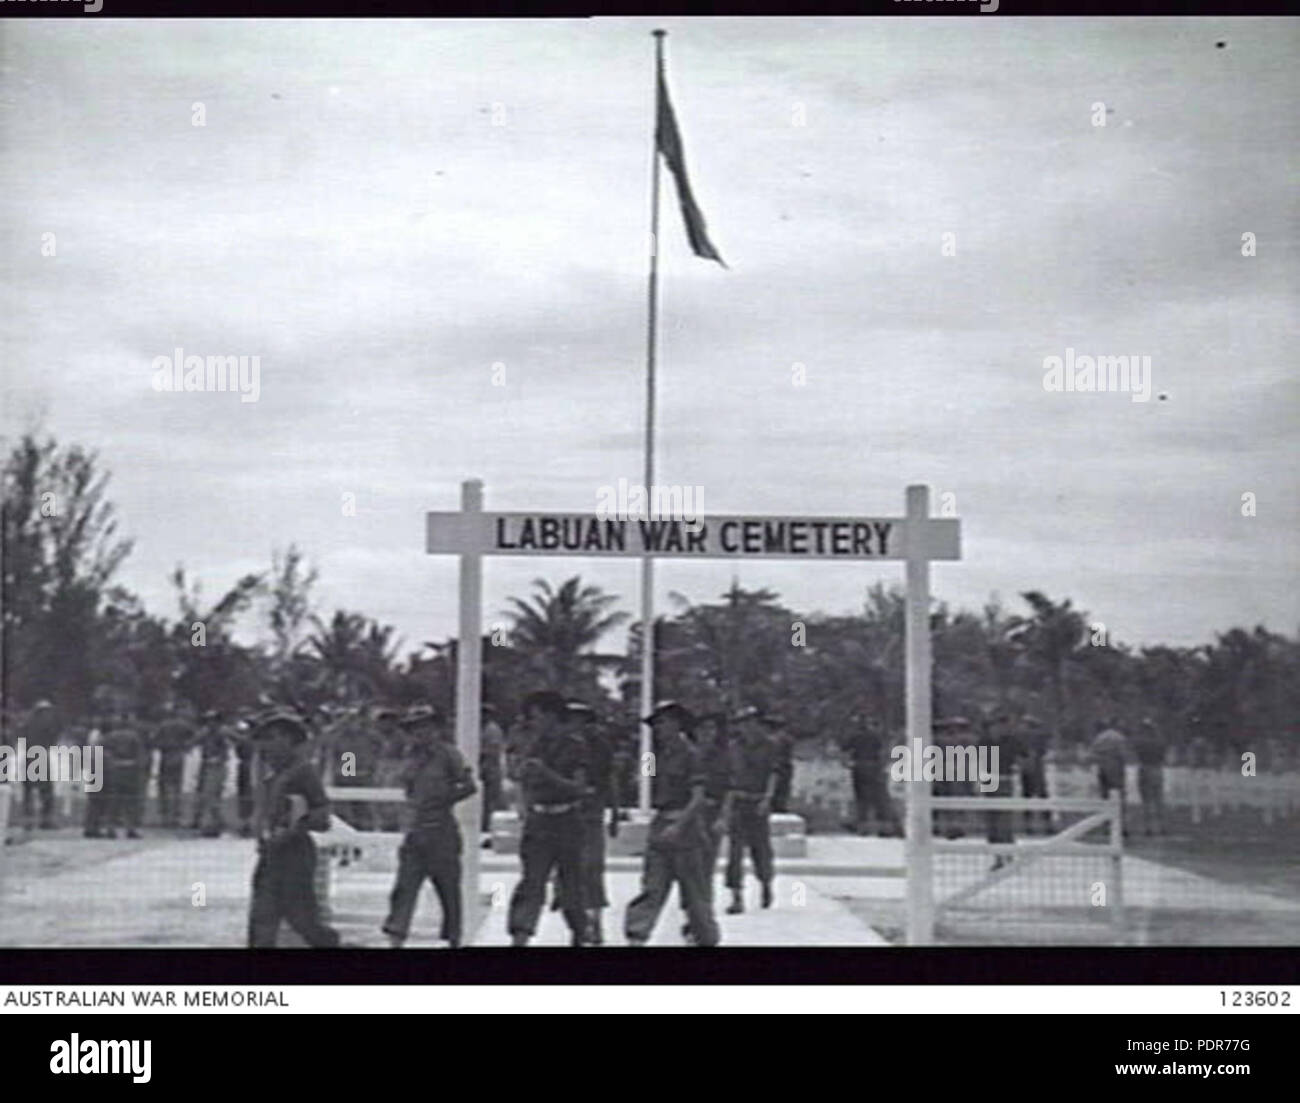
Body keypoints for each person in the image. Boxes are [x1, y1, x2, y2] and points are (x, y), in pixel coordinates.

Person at [624, 701, 720, 947]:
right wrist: (643, 761)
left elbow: (698, 797)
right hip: (661, 823)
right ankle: (636, 937)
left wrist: (679, 826)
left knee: (695, 896)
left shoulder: (692, 754)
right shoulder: (656, 755)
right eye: (655, 724)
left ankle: (705, 938)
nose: (658, 728)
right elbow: (644, 782)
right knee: (652, 888)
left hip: (686, 828)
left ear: (677, 723)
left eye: (663, 722)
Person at [382, 706, 477, 948]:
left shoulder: (448, 754)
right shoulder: (407, 754)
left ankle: (454, 939)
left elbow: (468, 785)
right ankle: (396, 937)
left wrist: (444, 798)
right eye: (414, 728)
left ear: (436, 728)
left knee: (448, 890)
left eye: (425, 726)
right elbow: (399, 782)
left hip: (441, 830)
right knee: (404, 888)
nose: (420, 732)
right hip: (415, 830)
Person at [247, 711, 341, 948]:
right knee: (262, 917)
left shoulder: (302, 771)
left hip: (295, 855)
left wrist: (296, 827)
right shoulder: (272, 774)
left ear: (290, 740)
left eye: (273, 738)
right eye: (264, 739)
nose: (266, 745)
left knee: (303, 921)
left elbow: (323, 812)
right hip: (271, 854)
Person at [507, 690, 590, 946]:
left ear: (553, 716)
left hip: (566, 820)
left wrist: (546, 774)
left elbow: (579, 788)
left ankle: (579, 930)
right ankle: (520, 934)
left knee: (570, 885)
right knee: (532, 881)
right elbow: (519, 776)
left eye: (537, 717)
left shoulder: (576, 746)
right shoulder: (532, 744)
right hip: (539, 821)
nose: (534, 722)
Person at [679, 709, 731, 942]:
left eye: (711, 729)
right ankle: (693, 918)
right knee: (688, 870)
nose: (707, 734)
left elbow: (730, 789)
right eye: (702, 729)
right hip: (688, 816)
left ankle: (703, 922)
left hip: (711, 814)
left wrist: (723, 817)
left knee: (705, 871)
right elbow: (650, 771)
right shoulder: (686, 754)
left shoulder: (724, 755)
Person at [724, 706, 777, 915]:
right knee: (734, 852)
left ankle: (766, 884)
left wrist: (767, 799)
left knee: (761, 849)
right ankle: (736, 896)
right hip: (737, 801)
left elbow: (774, 774)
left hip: (758, 802)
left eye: (749, 722)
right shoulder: (733, 747)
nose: (746, 726)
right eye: (742, 722)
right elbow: (728, 776)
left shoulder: (769, 746)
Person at [844, 715, 899, 836]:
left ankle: (862, 824)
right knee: (879, 797)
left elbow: (845, 748)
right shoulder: (876, 737)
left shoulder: (856, 736)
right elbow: (883, 751)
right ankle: (885, 825)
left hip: (859, 767)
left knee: (862, 797)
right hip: (875, 767)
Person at [931, 717, 974, 839]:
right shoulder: (962, 741)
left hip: (950, 774)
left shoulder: (941, 742)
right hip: (951, 774)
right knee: (952, 803)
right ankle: (952, 827)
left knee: (949, 803)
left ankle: (949, 827)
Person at [151, 705, 193, 828]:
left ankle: (165, 816)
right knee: (177, 786)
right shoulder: (183, 724)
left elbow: (154, 740)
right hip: (179, 755)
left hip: (166, 755)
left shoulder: (162, 725)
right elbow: (194, 736)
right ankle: (175, 816)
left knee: (164, 786)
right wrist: (186, 746)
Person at [21, 701, 59, 830]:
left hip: (29, 758)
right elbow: (52, 740)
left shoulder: (26, 724)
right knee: (46, 791)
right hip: (39, 757)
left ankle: (29, 821)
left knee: (30, 791)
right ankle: (45, 820)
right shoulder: (45, 725)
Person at [1089, 719, 1131, 838]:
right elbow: (1124, 754)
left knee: (1105, 798)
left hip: (1103, 769)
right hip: (1116, 769)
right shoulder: (1119, 737)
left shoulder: (1099, 738)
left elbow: (1092, 754)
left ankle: (1106, 825)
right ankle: (1121, 826)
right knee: (1119, 798)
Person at [1017, 714, 1051, 835]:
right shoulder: (1038, 737)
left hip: (1030, 769)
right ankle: (1046, 824)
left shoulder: (1024, 736)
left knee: (1028, 797)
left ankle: (1030, 825)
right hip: (1035, 770)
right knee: (1041, 796)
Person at [1133, 717, 1166, 837]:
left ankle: (1148, 827)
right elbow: (1163, 754)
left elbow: (1136, 752)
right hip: (1157, 769)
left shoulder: (1141, 741)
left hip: (1145, 768)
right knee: (1158, 800)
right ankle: (1161, 826)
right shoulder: (1159, 740)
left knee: (1146, 800)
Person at [480, 704, 505, 838]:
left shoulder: (492, 729)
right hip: (482, 769)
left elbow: (493, 750)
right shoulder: (478, 728)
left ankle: (490, 830)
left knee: (491, 801)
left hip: (490, 769)